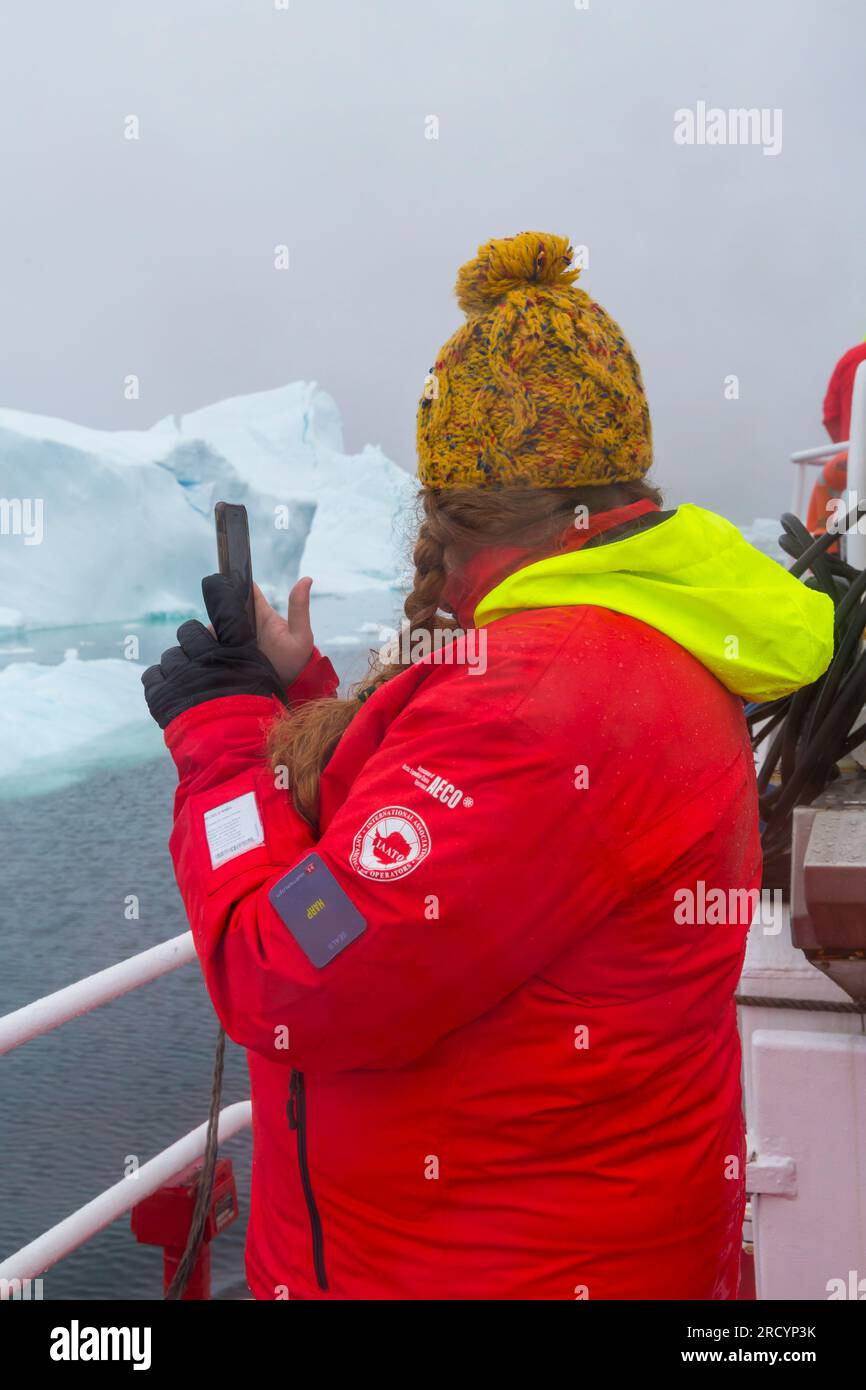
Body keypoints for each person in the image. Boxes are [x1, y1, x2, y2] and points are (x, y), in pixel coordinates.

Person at [143, 231, 833, 1300]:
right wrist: (297, 693)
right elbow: (425, 839)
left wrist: (224, 745)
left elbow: (288, 969)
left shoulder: (534, 704)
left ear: (459, 495)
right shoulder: (626, 644)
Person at [806, 337, 866, 535]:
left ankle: (825, 555)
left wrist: (846, 448)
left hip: (853, 466)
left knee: (827, 480)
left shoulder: (851, 359)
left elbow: (830, 415)